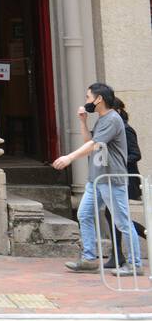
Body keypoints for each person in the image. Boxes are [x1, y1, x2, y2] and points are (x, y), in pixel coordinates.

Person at [52, 83, 142, 274]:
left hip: (111, 178)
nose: (86, 101)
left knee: (122, 222)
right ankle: (89, 259)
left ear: (98, 98)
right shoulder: (102, 119)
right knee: (84, 214)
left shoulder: (112, 119)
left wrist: (69, 157)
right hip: (97, 178)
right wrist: (83, 122)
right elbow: (89, 141)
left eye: (88, 97)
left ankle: (135, 264)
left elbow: (93, 145)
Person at [100, 100, 147, 269]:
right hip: (114, 178)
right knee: (112, 214)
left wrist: (116, 161)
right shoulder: (111, 129)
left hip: (126, 179)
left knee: (117, 216)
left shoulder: (125, 129)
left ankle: (121, 254)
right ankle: (117, 254)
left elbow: (136, 154)